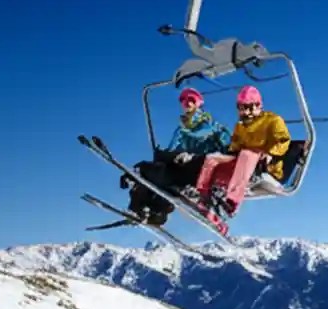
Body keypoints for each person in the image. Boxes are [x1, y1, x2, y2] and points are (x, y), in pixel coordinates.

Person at [125, 88, 231, 224]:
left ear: (199, 103)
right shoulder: (181, 131)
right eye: (184, 101)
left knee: (169, 173)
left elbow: (226, 147)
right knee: (159, 171)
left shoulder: (212, 127)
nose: (188, 103)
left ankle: (154, 210)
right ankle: (145, 210)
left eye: (192, 100)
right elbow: (172, 150)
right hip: (184, 168)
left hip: (202, 168)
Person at [192, 85, 291, 220]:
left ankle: (232, 202)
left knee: (247, 153)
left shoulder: (273, 120)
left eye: (251, 107)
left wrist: (269, 153)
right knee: (212, 158)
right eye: (242, 108)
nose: (247, 112)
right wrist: (225, 153)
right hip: (242, 164)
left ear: (259, 105)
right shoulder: (240, 126)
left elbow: (283, 141)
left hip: (265, 165)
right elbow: (235, 147)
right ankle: (203, 194)